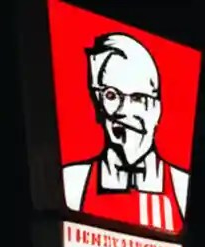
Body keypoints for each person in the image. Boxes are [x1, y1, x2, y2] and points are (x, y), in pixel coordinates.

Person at [62, 33, 189, 233]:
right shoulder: (72, 183)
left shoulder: (182, 188)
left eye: (138, 98)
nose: (124, 111)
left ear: (156, 110)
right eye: (112, 95)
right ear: (98, 105)